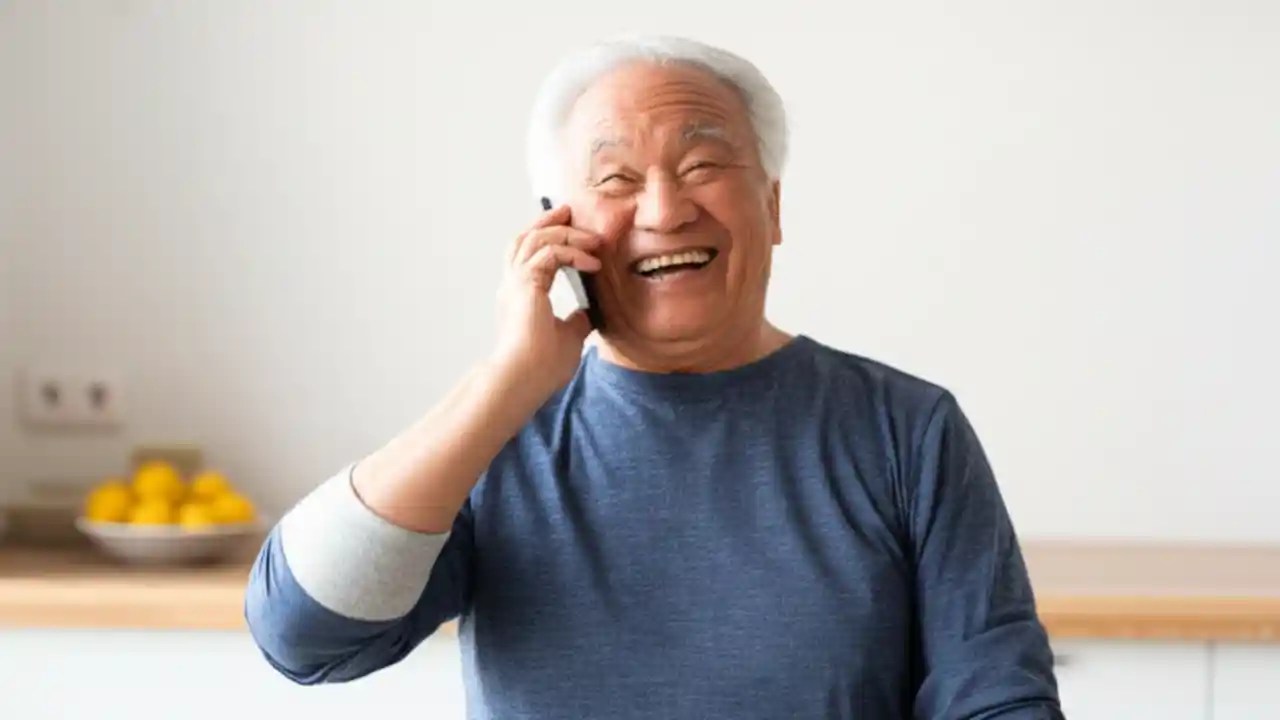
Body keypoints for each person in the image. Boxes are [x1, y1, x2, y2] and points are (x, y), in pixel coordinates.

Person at [244, 35, 1064, 720]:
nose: (665, 210)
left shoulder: (905, 431)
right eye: (615, 180)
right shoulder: (501, 435)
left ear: (773, 208)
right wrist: (506, 380)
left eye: (703, 164)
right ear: (555, 226)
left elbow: (998, 702)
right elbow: (301, 636)